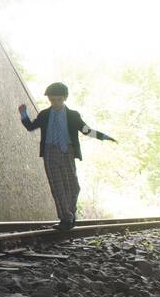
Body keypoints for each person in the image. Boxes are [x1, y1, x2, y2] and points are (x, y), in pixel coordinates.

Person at [17, 82, 116, 229]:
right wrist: (24, 114)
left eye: (58, 99)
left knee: (73, 186)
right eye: (52, 100)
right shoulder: (44, 115)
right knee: (57, 186)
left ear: (64, 98)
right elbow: (31, 127)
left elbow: (86, 130)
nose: (55, 103)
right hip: (49, 152)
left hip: (67, 152)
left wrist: (104, 137)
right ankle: (65, 219)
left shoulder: (72, 115)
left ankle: (71, 213)